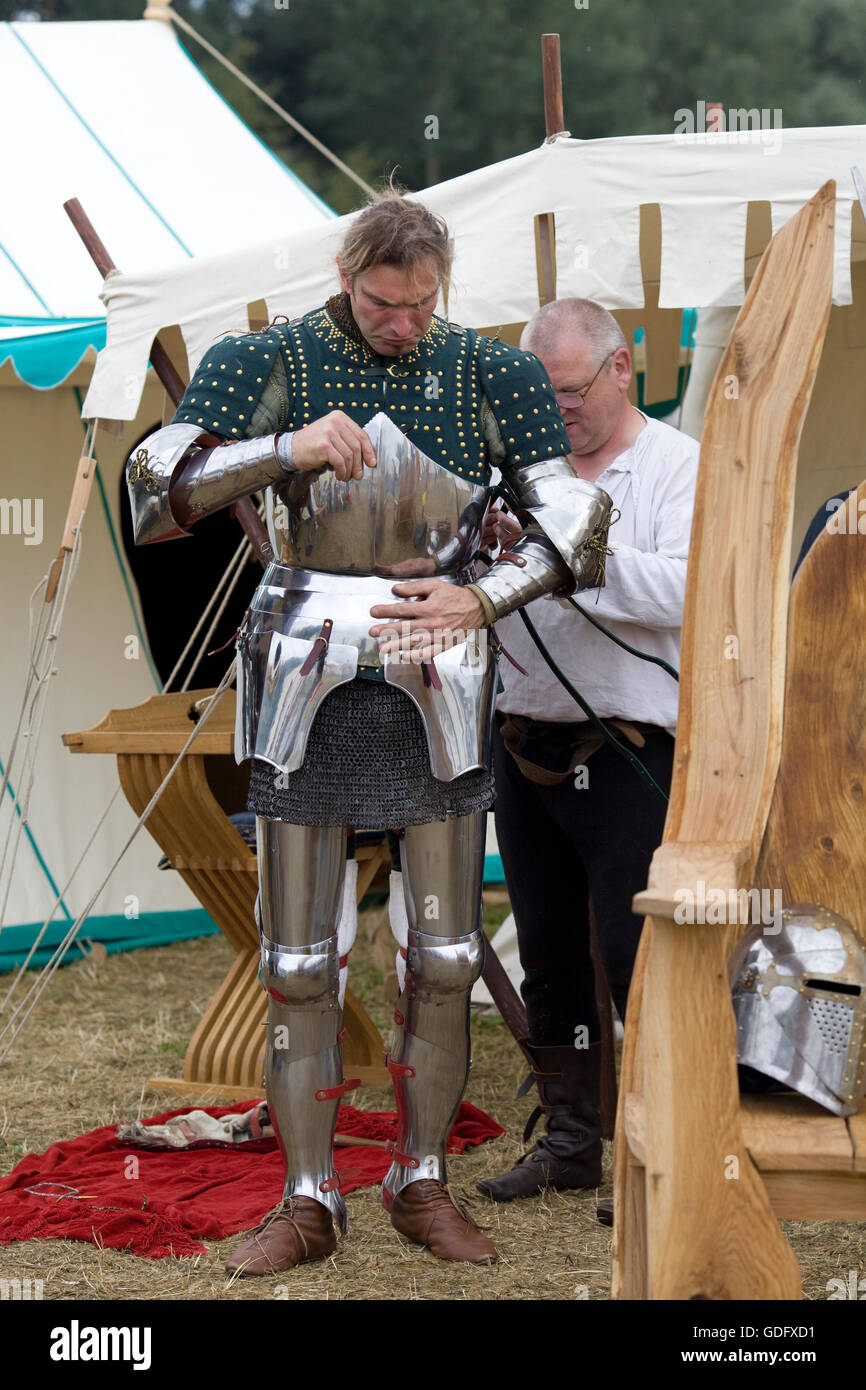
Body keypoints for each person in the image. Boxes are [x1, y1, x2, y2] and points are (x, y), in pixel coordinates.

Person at [125, 194, 613, 1273]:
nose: (400, 322)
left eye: (419, 304)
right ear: (346, 275)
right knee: (300, 964)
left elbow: (577, 528)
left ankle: (419, 1179)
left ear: (441, 286)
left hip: (438, 648)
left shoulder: (493, 371)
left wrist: (477, 599)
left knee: (440, 953)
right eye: (381, 303)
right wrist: (279, 446)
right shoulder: (266, 356)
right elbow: (155, 494)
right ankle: (308, 1199)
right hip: (301, 647)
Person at [476, 298, 699, 1203]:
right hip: (524, 740)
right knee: (552, 956)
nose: (556, 409)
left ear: (620, 368)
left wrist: (569, 552)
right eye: (543, 393)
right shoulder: (521, 467)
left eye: (568, 390)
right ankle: (571, 1147)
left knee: (635, 952)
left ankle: (651, 1157)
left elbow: (687, 590)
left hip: (629, 748)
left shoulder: (676, 465)